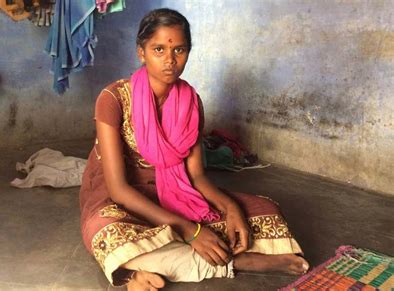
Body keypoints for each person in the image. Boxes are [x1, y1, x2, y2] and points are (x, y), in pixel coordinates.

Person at [79, 8, 309, 291]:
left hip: (174, 193)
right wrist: (191, 230)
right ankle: (233, 262)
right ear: (141, 52)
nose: (170, 60)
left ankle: (151, 265)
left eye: (179, 50)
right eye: (159, 49)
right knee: (105, 230)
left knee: (265, 210)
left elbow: (197, 177)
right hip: (122, 197)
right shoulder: (113, 98)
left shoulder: (190, 101)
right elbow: (118, 189)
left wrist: (230, 207)